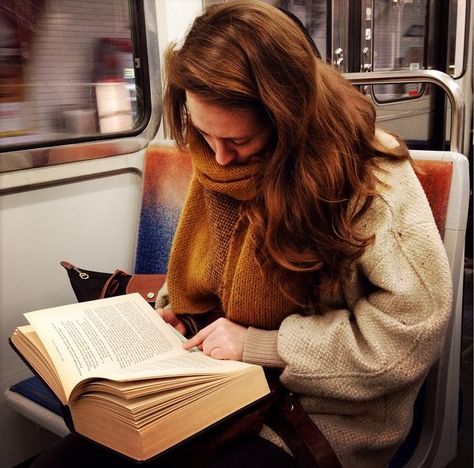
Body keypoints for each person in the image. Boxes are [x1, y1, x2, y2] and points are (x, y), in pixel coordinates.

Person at [31, 1, 452, 467]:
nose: (220, 158)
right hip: (220, 380)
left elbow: (407, 340)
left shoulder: (369, 176)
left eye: (239, 141)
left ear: (290, 119)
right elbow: (209, 265)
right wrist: (181, 316)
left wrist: (261, 345)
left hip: (316, 414)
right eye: (206, 136)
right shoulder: (217, 157)